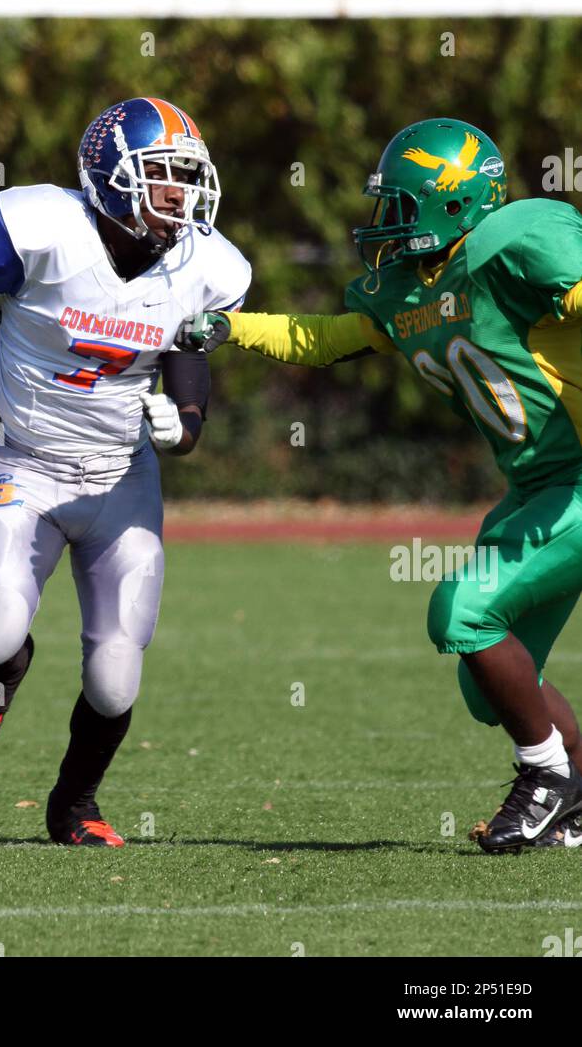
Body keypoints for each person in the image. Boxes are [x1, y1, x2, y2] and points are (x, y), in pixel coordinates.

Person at [181, 117, 582, 853]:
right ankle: (578, 797)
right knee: (488, 684)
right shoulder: (406, 288)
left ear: (454, 201)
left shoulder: (514, 241)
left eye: (401, 204)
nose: (386, 221)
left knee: (460, 611)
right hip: (536, 489)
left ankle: (546, 779)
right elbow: (325, 338)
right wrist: (232, 329)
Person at [0, 98, 251, 846]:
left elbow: (189, 353)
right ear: (111, 176)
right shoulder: (39, 229)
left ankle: (75, 805)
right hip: (26, 464)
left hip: (122, 481)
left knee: (116, 673)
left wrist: (183, 428)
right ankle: (3, 673)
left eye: (189, 179)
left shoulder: (207, 266)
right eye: (162, 178)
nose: (181, 197)